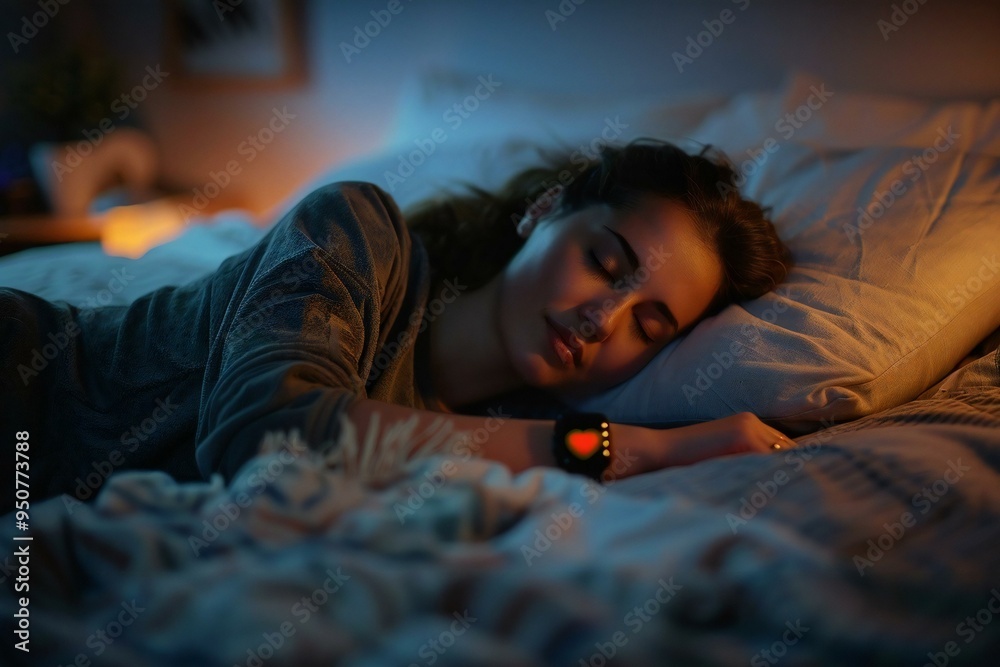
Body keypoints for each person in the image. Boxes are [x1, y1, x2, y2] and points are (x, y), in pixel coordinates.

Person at [0, 139, 793, 514]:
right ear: (545, 209)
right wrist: (623, 444)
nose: (602, 318)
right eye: (605, 262)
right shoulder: (359, 232)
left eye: (649, 326)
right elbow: (268, 437)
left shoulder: (507, 432)